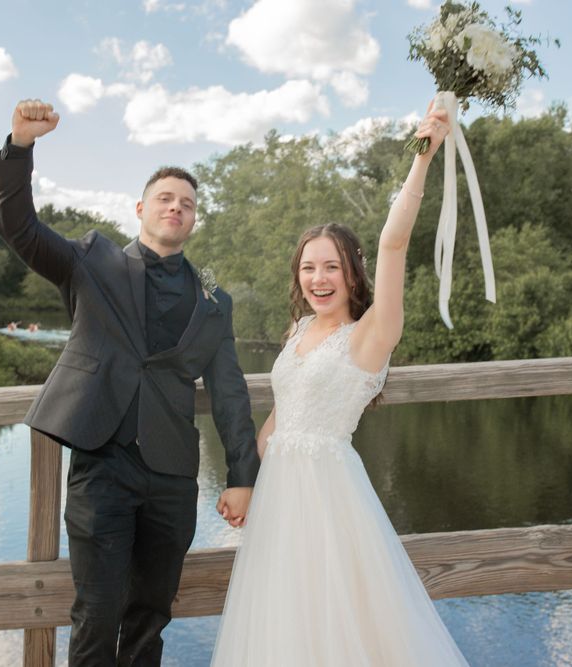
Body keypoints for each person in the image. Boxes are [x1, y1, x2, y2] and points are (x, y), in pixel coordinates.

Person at [0, 98, 259, 666]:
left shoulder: (215, 304)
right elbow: (19, 228)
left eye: (187, 204)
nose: (176, 208)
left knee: (150, 616)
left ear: (193, 220)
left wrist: (242, 476)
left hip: (172, 477)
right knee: (98, 610)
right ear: (140, 208)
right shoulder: (94, 262)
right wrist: (20, 147)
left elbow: (231, 393)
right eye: (165, 198)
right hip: (102, 467)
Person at [210, 102, 470, 665]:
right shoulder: (299, 328)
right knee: (281, 626)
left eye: (331, 267)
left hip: (329, 499)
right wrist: (245, 480)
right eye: (308, 268)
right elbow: (281, 415)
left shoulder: (372, 333)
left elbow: (394, 243)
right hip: (277, 495)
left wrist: (422, 156)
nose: (318, 279)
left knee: (339, 626)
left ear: (353, 270)